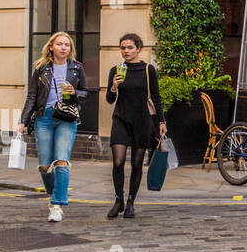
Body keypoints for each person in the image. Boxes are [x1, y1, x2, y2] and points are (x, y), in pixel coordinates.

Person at [17, 32, 89, 223]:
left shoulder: (76, 68)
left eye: (67, 44)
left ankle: (57, 205)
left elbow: (85, 93)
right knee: (44, 165)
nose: (64, 47)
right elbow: (32, 96)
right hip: (44, 118)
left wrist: (76, 93)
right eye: (59, 44)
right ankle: (54, 193)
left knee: (61, 161)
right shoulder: (41, 68)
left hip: (66, 117)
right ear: (51, 47)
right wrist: (23, 120)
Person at [105, 33, 165, 220]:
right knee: (118, 162)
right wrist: (113, 87)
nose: (126, 51)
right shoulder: (116, 70)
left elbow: (156, 97)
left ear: (138, 48)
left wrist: (161, 122)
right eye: (123, 48)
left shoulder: (148, 70)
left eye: (130, 47)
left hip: (142, 121)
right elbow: (109, 99)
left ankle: (131, 202)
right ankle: (118, 200)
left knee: (137, 163)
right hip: (121, 119)